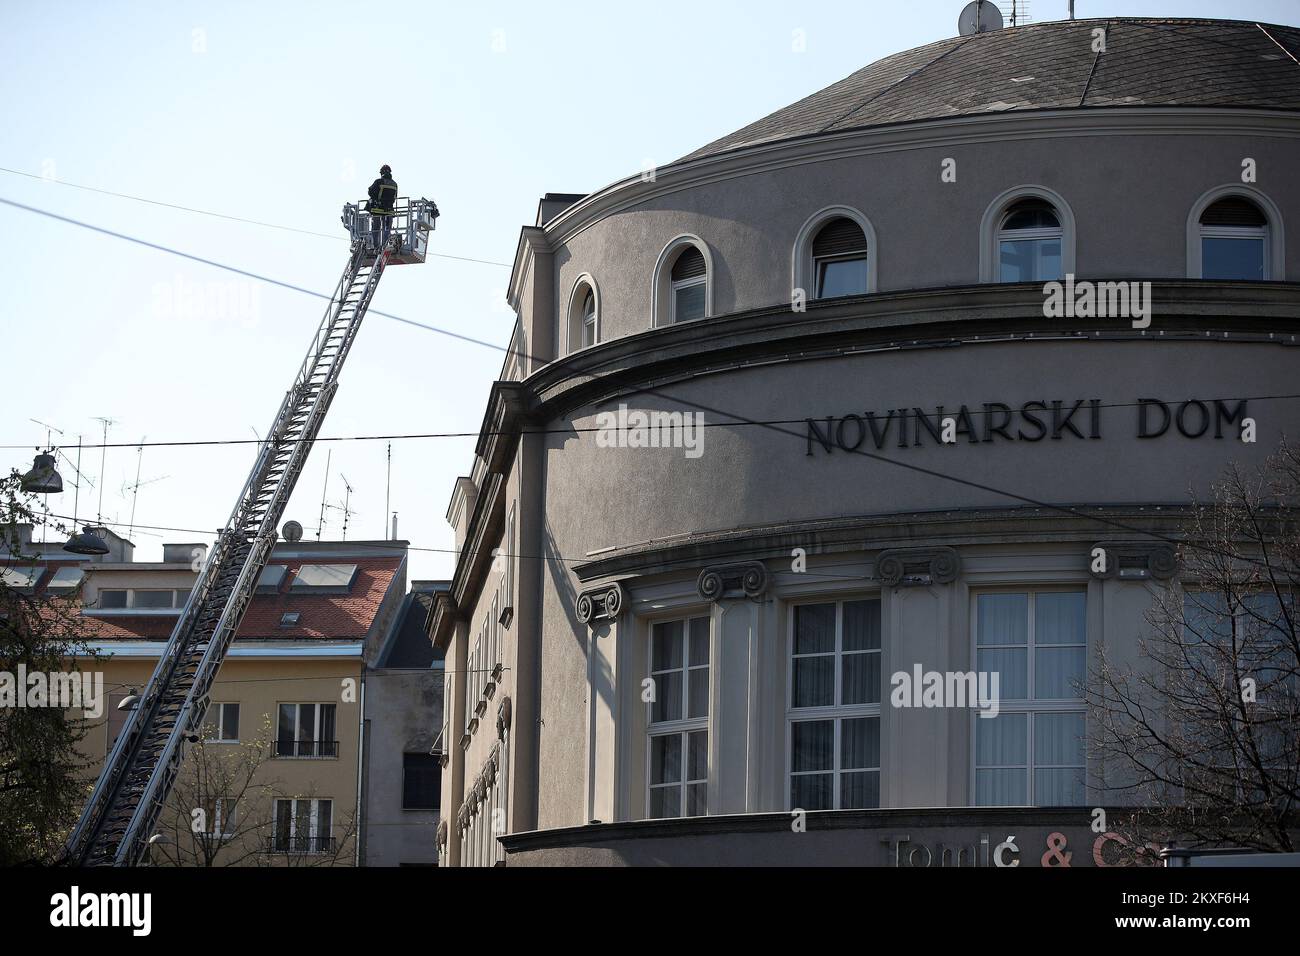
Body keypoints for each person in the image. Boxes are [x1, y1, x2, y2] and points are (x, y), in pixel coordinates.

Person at [367, 165, 398, 252]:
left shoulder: (378, 182)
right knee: (386, 228)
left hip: (377, 209)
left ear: (382, 173)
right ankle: (385, 245)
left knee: (376, 228)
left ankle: (376, 246)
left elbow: (371, 192)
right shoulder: (394, 184)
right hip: (389, 210)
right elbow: (395, 197)